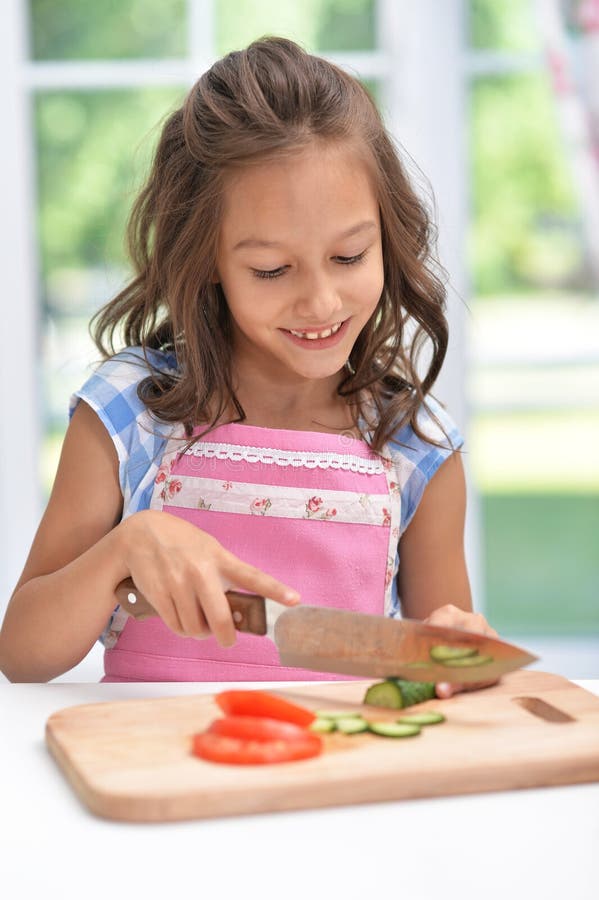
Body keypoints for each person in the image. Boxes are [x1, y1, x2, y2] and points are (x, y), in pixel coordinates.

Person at [0, 36, 498, 686]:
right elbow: (22, 652)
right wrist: (125, 548)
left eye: (349, 257)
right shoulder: (131, 413)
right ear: (207, 256)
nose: (319, 301)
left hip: (338, 780)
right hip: (156, 770)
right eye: (270, 269)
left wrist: (465, 655)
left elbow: (443, 672)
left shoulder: (415, 444)